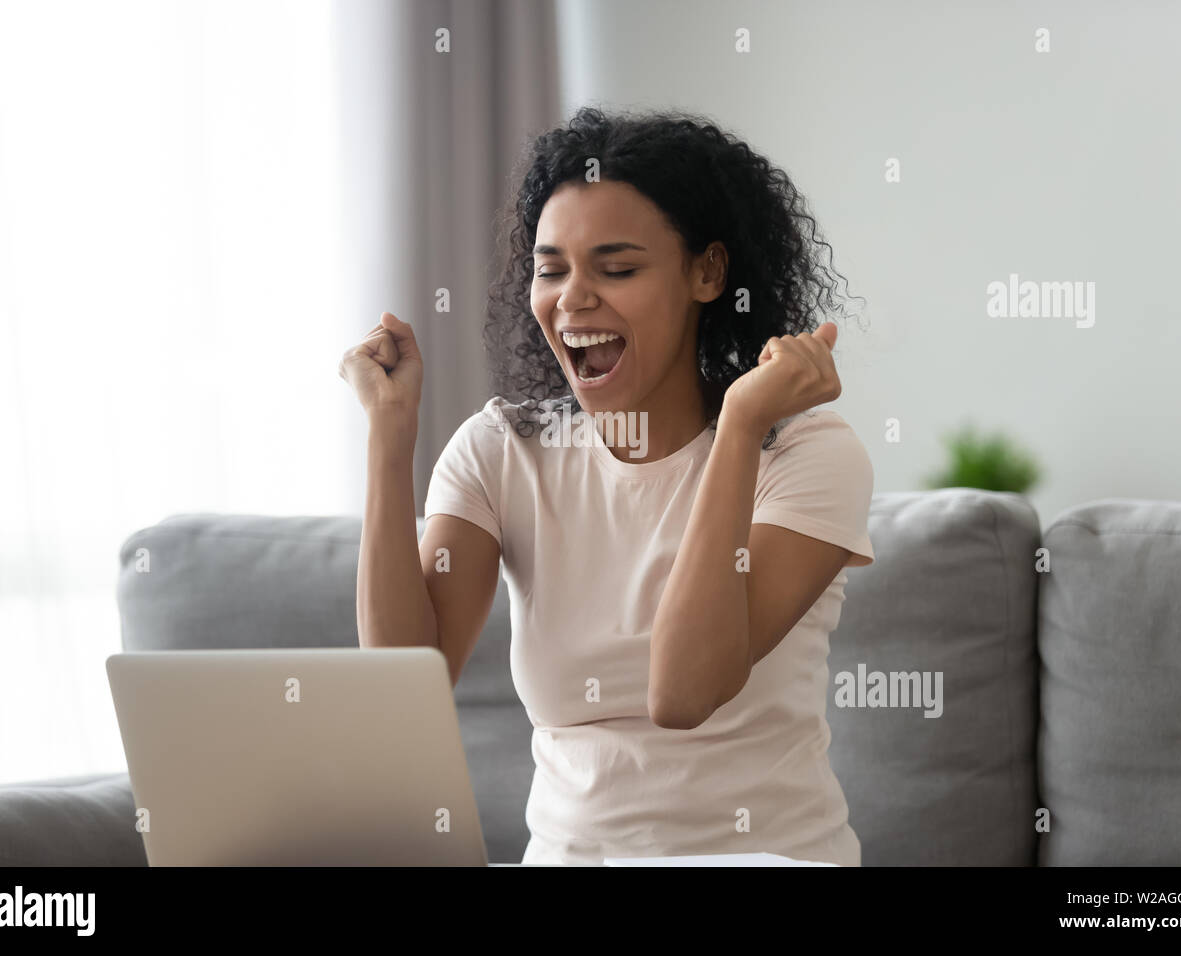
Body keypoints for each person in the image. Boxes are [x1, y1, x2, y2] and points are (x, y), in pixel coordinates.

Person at [339, 107, 875, 866]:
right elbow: (404, 691)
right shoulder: (503, 452)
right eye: (551, 269)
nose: (573, 299)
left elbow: (683, 694)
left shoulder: (807, 454)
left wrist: (741, 427)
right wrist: (390, 439)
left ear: (708, 272)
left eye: (617, 269)